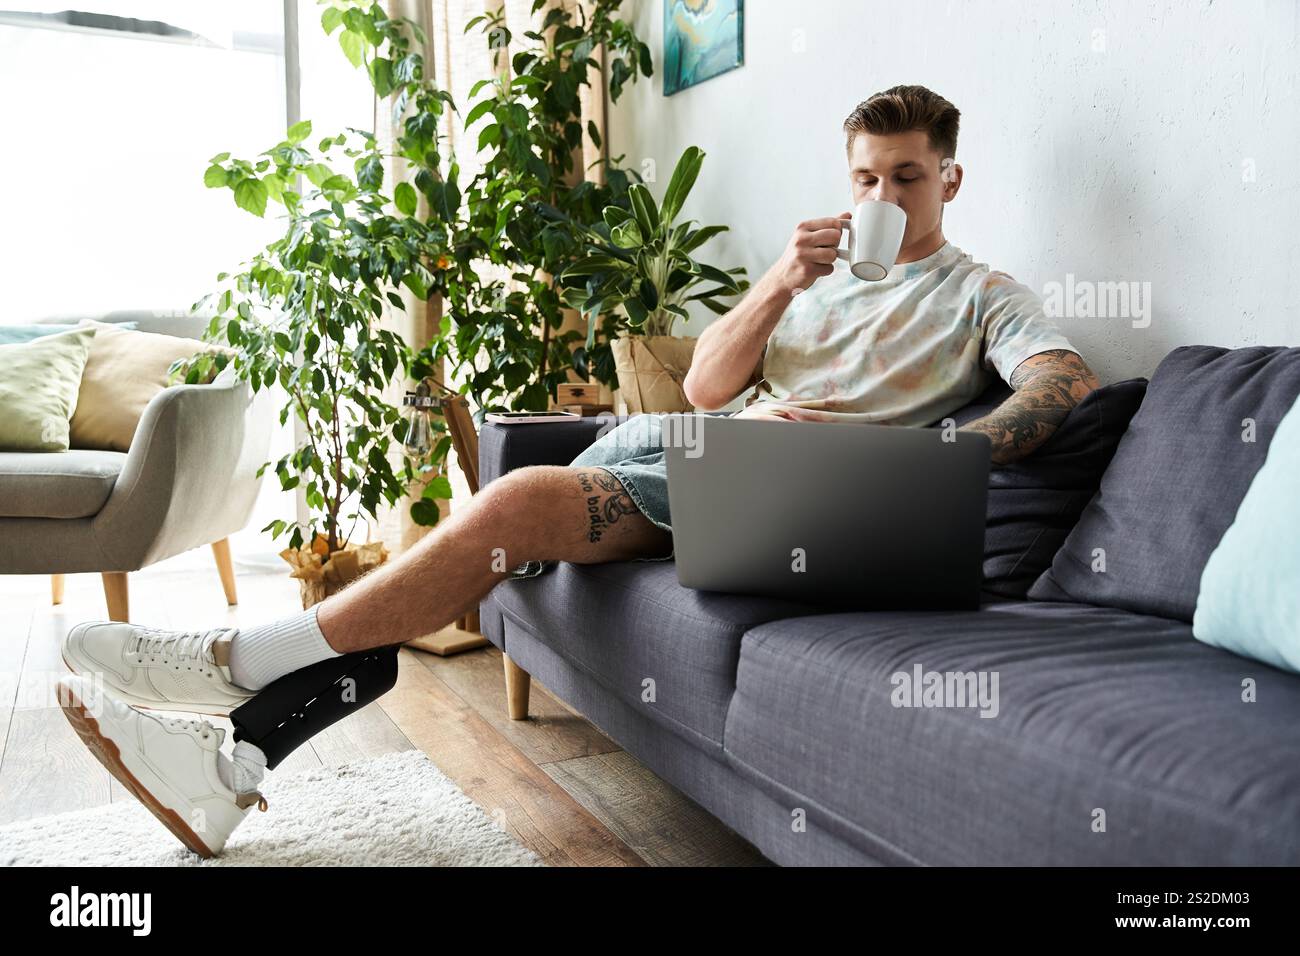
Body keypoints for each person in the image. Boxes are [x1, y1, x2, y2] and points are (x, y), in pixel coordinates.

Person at [56, 84, 1100, 857]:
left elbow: (1061, 377)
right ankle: (231, 762)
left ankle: (233, 658)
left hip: (806, 488)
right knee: (490, 550)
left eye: (905, 177)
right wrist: (783, 278)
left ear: (949, 178)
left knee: (514, 502)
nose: (882, 193)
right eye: (865, 176)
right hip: (706, 448)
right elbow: (703, 389)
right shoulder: (813, 280)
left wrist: (940, 451)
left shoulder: (978, 291)